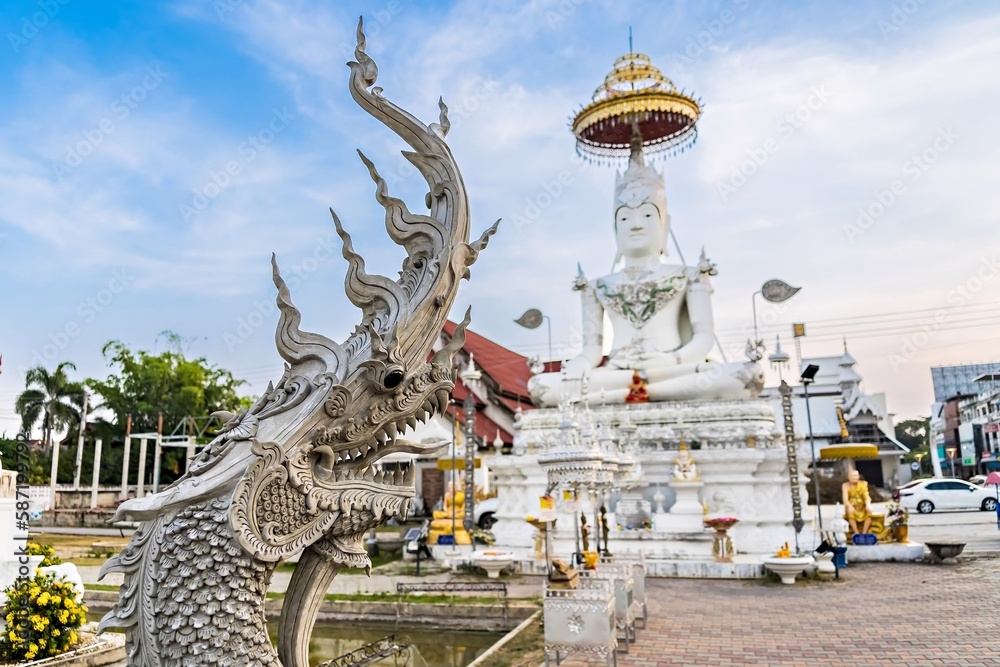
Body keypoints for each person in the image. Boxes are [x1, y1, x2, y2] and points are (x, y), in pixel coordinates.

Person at [527, 139, 762, 406]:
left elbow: (704, 339)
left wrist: (671, 360)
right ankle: (639, 392)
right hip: (617, 373)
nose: (636, 225)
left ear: (665, 224)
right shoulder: (595, 286)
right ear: (614, 228)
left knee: (745, 376)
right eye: (625, 218)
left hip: (674, 369)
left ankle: (626, 396)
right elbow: (593, 349)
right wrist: (579, 364)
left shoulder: (690, 275)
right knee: (541, 387)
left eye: (648, 216)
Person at [842, 469, 873, 535]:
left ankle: (864, 532)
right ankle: (856, 532)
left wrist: (868, 504)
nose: (854, 477)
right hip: (851, 505)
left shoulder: (863, 484)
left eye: (856, 475)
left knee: (869, 511)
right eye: (852, 476)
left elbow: (866, 496)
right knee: (850, 511)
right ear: (848, 477)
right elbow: (845, 499)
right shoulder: (845, 485)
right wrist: (849, 506)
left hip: (862, 505)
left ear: (858, 476)